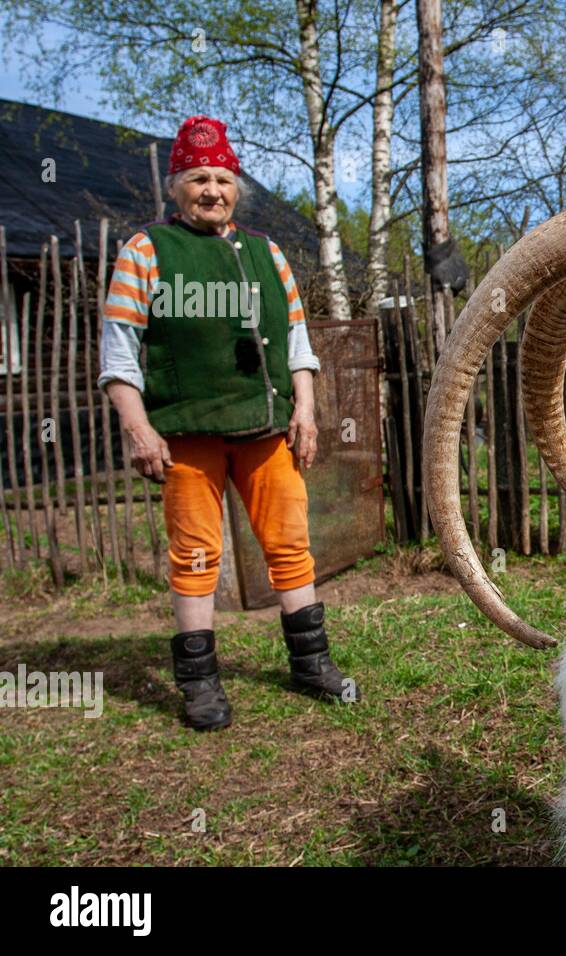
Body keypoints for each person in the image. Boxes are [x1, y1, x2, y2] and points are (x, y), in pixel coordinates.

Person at [98, 115, 355, 731]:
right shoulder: (146, 251)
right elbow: (118, 353)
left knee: (290, 543)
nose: (212, 190)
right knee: (194, 554)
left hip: (265, 429)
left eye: (222, 178)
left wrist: (306, 409)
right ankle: (200, 683)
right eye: (197, 178)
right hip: (186, 433)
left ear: (236, 186)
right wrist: (139, 428)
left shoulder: (266, 253)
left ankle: (310, 662)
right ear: (174, 186)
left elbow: (297, 340)